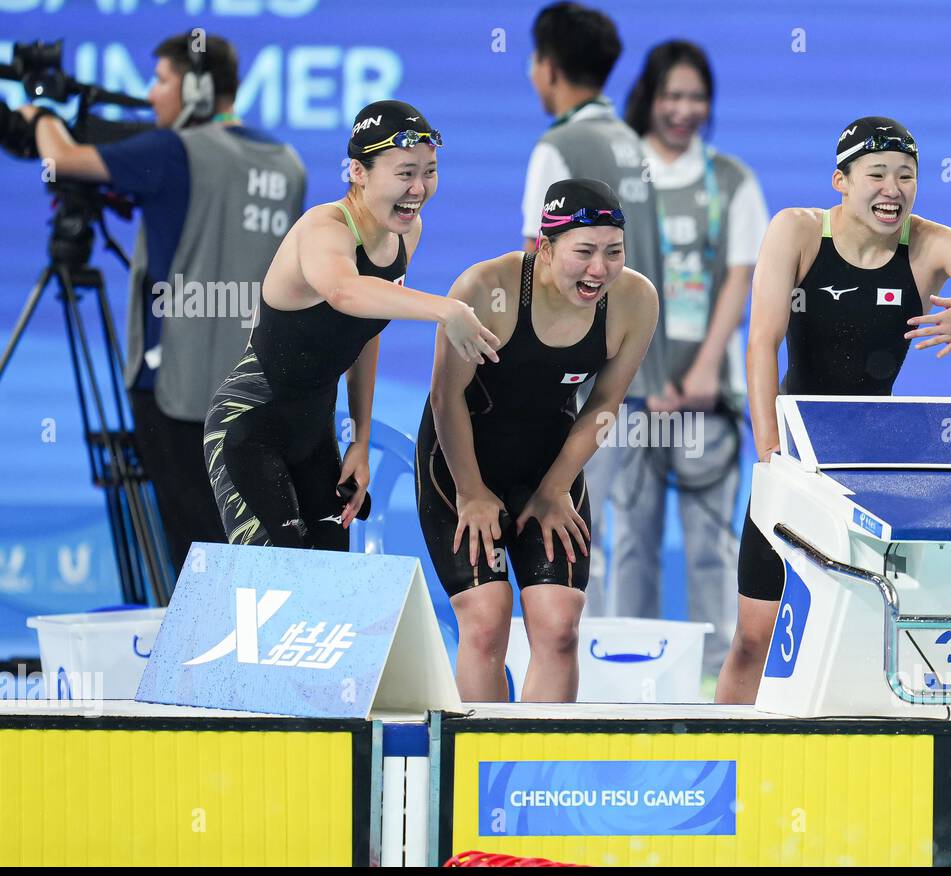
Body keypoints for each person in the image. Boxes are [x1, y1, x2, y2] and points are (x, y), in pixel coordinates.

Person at [715, 117, 951, 705]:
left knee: (857, 627)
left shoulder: (935, 244)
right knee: (754, 633)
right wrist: (768, 453)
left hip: (871, 462)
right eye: (878, 174)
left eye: (907, 176)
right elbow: (761, 343)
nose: (894, 189)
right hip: (793, 448)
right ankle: (721, 762)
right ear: (841, 180)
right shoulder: (797, 231)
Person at [20, 33, 306, 573]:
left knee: (193, 551)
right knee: (240, 540)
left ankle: (197, 652)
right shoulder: (286, 162)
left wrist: (38, 115)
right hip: (258, 388)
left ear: (196, 87)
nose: (151, 96)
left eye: (161, 80)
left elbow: (62, 159)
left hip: (174, 388)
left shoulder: (176, 151)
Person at [204, 100, 498, 549]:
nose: (418, 189)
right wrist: (448, 309)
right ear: (358, 172)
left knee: (331, 585)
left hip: (315, 435)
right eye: (404, 173)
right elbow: (346, 292)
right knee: (276, 580)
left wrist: (359, 440)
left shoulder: (406, 232)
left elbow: (365, 330)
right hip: (248, 430)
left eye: (429, 171)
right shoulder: (324, 229)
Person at [418, 179, 658, 702]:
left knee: (558, 625)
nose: (600, 270)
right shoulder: (486, 288)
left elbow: (602, 406)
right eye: (585, 252)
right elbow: (446, 399)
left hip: (550, 464)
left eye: (613, 252)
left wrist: (555, 490)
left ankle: (534, 771)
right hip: (461, 459)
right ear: (545, 248)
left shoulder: (635, 300)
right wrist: (472, 493)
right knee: (485, 622)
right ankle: (479, 773)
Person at [613, 40, 769, 679]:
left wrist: (705, 370)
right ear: (648, 97)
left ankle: (717, 683)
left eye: (696, 97)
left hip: (705, 401)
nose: (683, 109)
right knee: (625, 544)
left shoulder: (730, 180)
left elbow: (740, 278)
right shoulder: (616, 175)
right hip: (623, 397)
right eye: (671, 95)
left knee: (712, 549)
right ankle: (620, 675)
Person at [522, 1, 666, 613]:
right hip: (637, 376)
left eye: (534, 60)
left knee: (572, 537)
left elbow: (533, 268)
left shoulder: (559, 147)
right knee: (619, 541)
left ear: (550, 68)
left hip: (573, 382)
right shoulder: (636, 146)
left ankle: (572, 695)